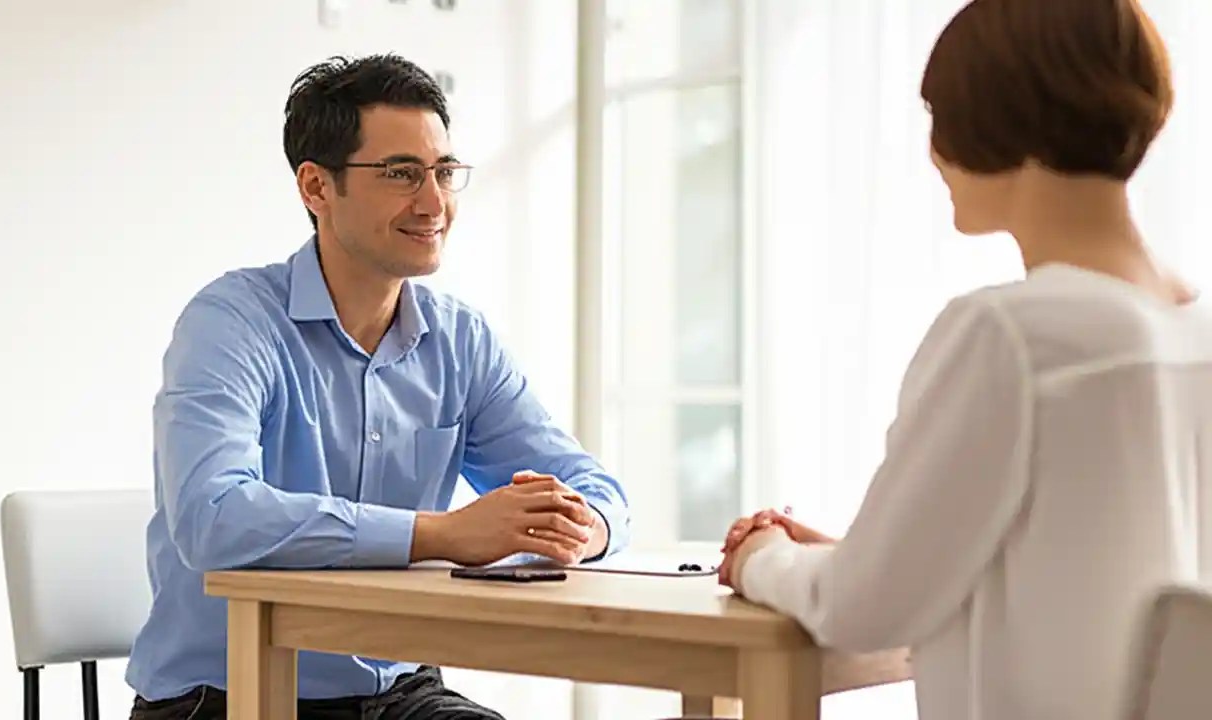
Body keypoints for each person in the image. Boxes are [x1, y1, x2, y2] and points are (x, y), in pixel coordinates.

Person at [718, 1, 1211, 719]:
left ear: (999, 116)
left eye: (938, 117)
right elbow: (1086, 583)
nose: (933, 153)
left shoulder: (1011, 334)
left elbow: (860, 611)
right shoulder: (1194, 336)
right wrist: (862, 551)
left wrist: (762, 557)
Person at [125, 54, 630, 720]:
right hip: (226, 697)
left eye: (444, 172)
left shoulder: (460, 341)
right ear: (316, 187)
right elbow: (212, 519)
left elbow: (600, 495)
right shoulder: (232, 322)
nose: (434, 203)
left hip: (398, 693)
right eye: (400, 174)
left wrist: (574, 526)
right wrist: (441, 534)